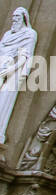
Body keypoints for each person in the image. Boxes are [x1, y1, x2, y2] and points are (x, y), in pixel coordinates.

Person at [0, 8, 37, 145]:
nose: (14, 19)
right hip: (2, 66)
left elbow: (25, 57)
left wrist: (10, 69)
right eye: (13, 16)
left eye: (17, 17)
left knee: (3, 101)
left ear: (24, 18)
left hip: (12, 72)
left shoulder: (29, 34)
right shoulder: (7, 34)